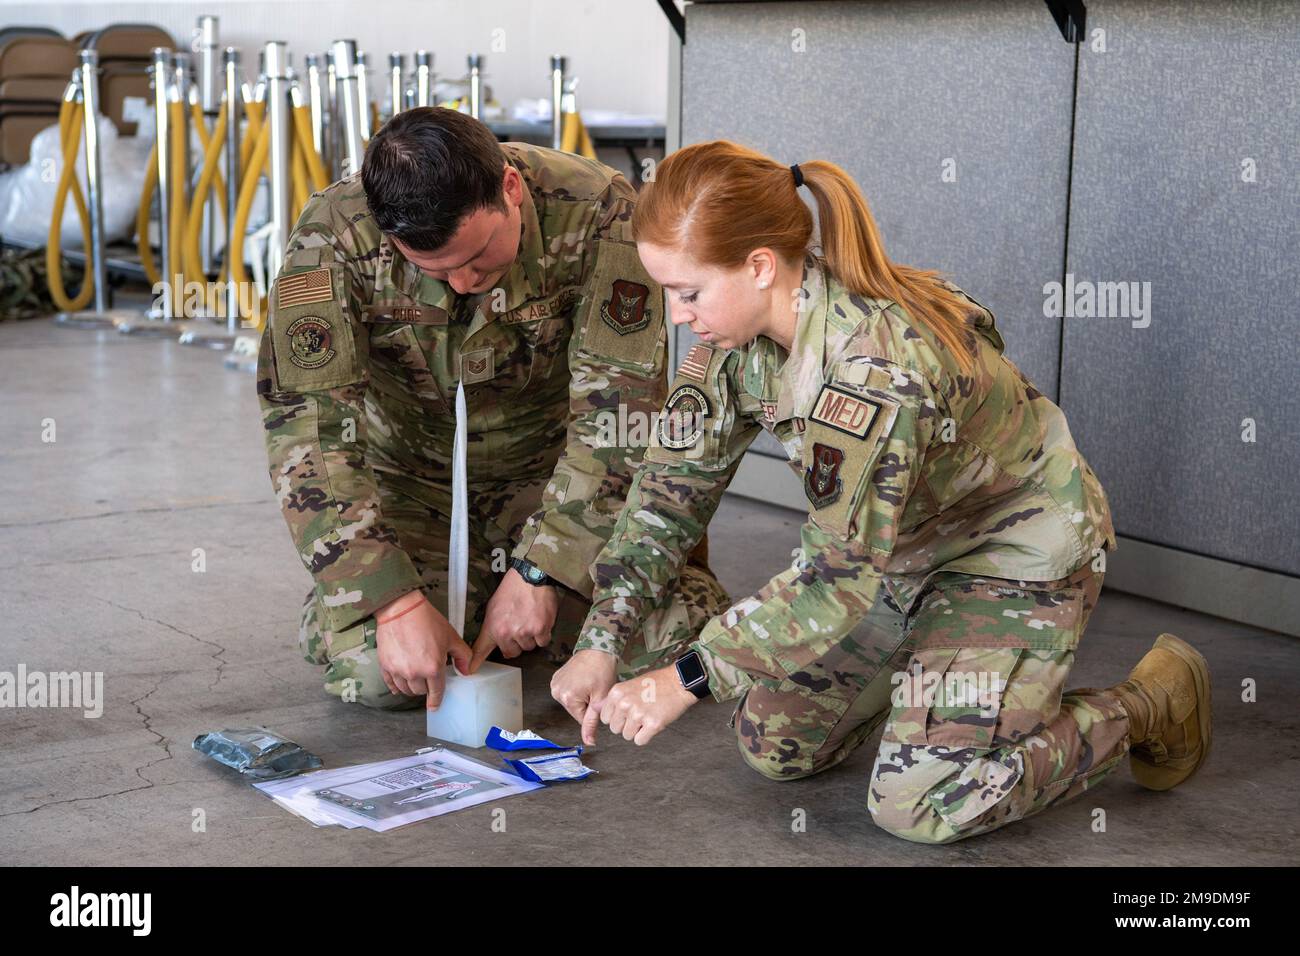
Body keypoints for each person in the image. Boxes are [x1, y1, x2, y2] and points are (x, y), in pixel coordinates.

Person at [549, 140, 1212, 845]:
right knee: (773, 743)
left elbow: (833, 580)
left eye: (689, 292)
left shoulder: (872, 369)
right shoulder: (729, 344)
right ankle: (932, 673)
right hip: (897, 557)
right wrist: (603, 640)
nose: (677, 316)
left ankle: (1148, 704)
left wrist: (684, 677)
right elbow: (667, 496)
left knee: (918, 803)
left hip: (1009, 556)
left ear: (760, 266)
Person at [256, 108, 727, 712]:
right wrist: (391, 601)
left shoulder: (599, 211)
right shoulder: (334, 233)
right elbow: (308, 431)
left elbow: (619, 420)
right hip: (413, 486)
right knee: (376, 674)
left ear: (509, 189)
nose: (460, 284)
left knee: (671, 646)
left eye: (477, 258)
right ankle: (464, 604)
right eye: (435, 270)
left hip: (555, 481)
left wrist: (545, 569)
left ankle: (519, 598)